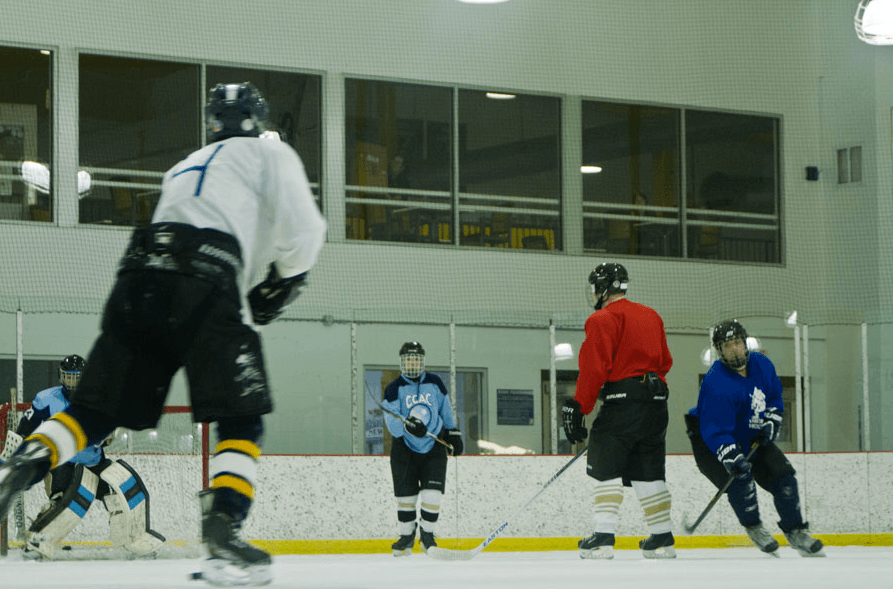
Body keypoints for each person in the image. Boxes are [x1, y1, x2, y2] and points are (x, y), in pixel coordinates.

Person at [0, 82, 326, 586]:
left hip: (141, 270)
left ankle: (24, 462)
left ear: (212, 124)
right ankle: (223, 533)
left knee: (95, 410)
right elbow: (305, 233)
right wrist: (281, 283)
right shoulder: (271, 155)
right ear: (255, 122)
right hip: (209, 277)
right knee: (240, 420)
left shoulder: (183, 167)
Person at [561, 262, 675, 560]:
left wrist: (580, 407)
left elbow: (594, 368)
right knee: (648, 470)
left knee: (605, 464)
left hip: (623, 403)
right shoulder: (651, 315)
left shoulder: (602, 318)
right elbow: (665, 362)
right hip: (656, 405)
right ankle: (662, 537)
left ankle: (603, 537)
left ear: (602, 288)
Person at [0, 355, 165, 560]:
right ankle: (38, 541)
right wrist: (12, 457)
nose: (71, 382)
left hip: (95, 462)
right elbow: (25, 430)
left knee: (121, 493)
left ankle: (134, 540)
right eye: (68, 377)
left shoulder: (98, 399)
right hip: (63, 463)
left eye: (76, 377)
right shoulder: (46, 399)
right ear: (61, 377)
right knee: (64, 502)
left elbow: (108, 430)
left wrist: (107, 435)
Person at [685, 319, 825, 557]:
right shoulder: (716, 382)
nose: (734, 349)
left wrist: (771, 421)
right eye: (727, 345)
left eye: (737, 342)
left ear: (744, 342)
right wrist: (730, 455)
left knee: (784, 477)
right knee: (741, 480)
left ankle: (796, 532)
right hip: (711, 440)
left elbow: (774, 398)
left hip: (750, 433)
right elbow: (714, 429)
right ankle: (754, 527)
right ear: (720, 350)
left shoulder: (762, 364)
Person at [382, 342, 463, 556]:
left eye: (416, 359)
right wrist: (408, 426)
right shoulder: (393, 388)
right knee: (406, 498)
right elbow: (392, 424)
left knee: (432, 494)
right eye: (408, 360)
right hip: (404, 449)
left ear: (422, 362)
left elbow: (445, 410)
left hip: (433, 446)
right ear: (402, 363)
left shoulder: (435, 383)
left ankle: (427, 534)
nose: (412, 363)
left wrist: (453, 432)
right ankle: (406, 536)